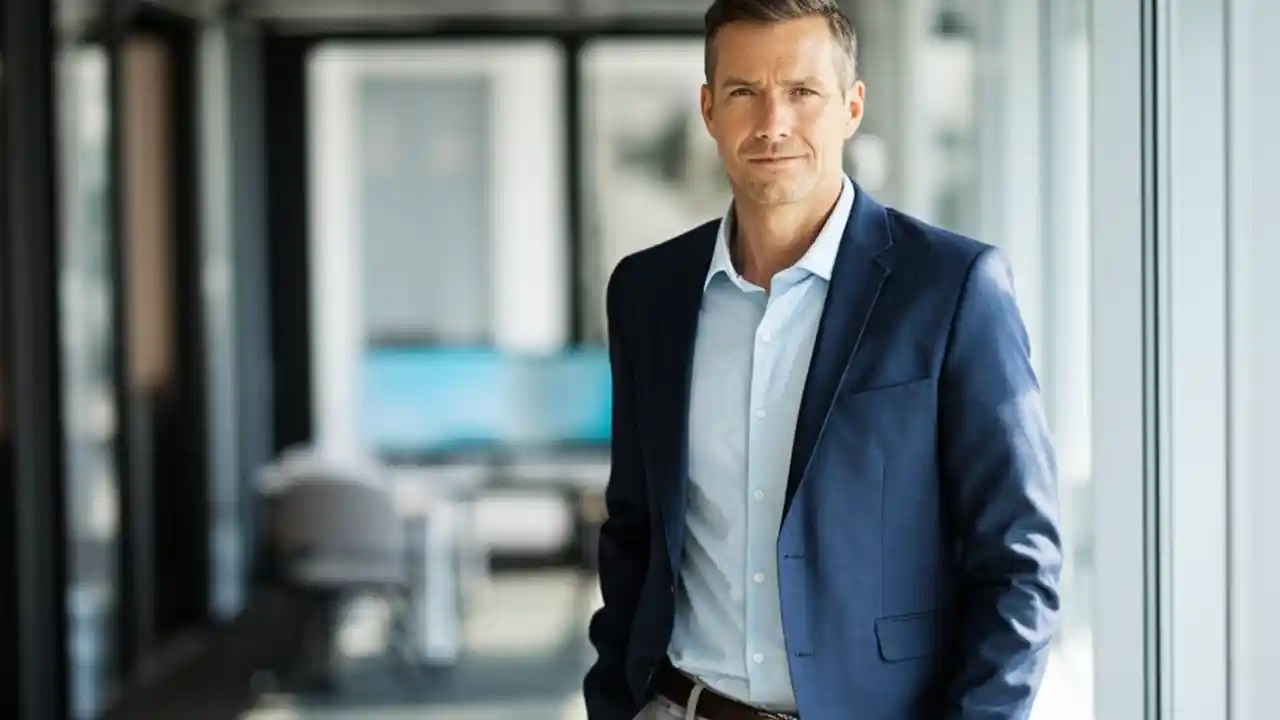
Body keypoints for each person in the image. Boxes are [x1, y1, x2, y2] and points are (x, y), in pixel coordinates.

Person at [583, 1, 1062, 718]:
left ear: (851, 106)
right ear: (710, 109)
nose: (772, 123)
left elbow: (1019, 565)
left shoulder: (952, 289)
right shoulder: (649, 293)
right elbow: (634, 532)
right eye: (744, 92)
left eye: (803, 92)